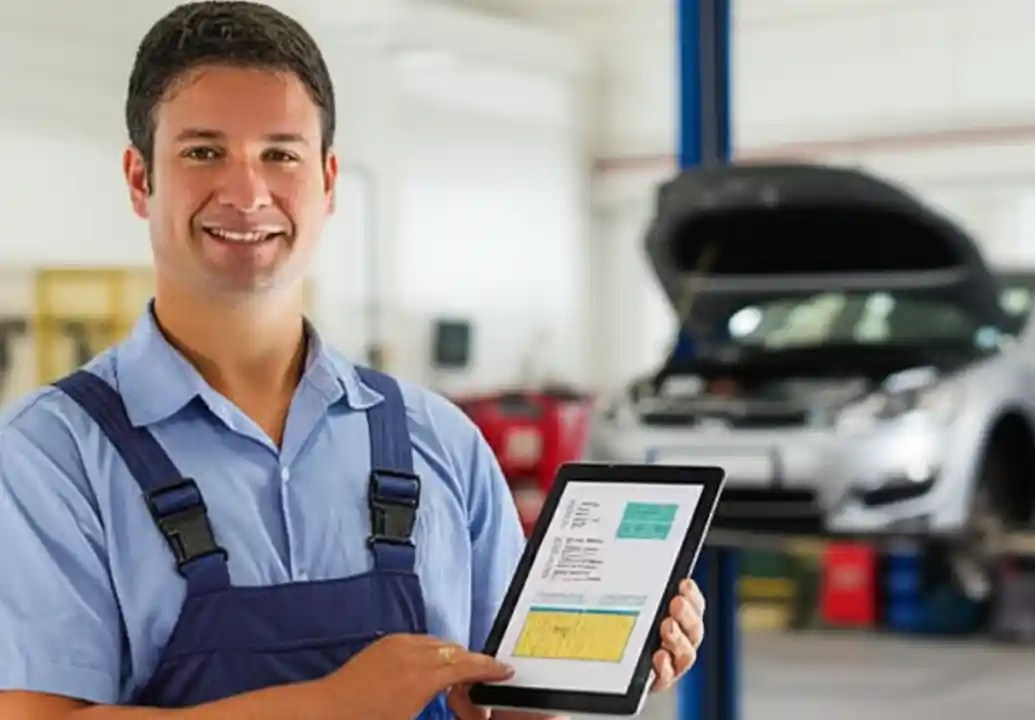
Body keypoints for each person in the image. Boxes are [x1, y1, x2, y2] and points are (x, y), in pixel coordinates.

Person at [0, 2, 706, 718]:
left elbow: (507, 702)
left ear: (329, 180)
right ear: (138, 178)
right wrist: (332, 705)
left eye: (281, 153)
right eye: (203, 151)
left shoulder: (442, 443)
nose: (247, 193)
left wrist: (612, 670)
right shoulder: (50, 457)